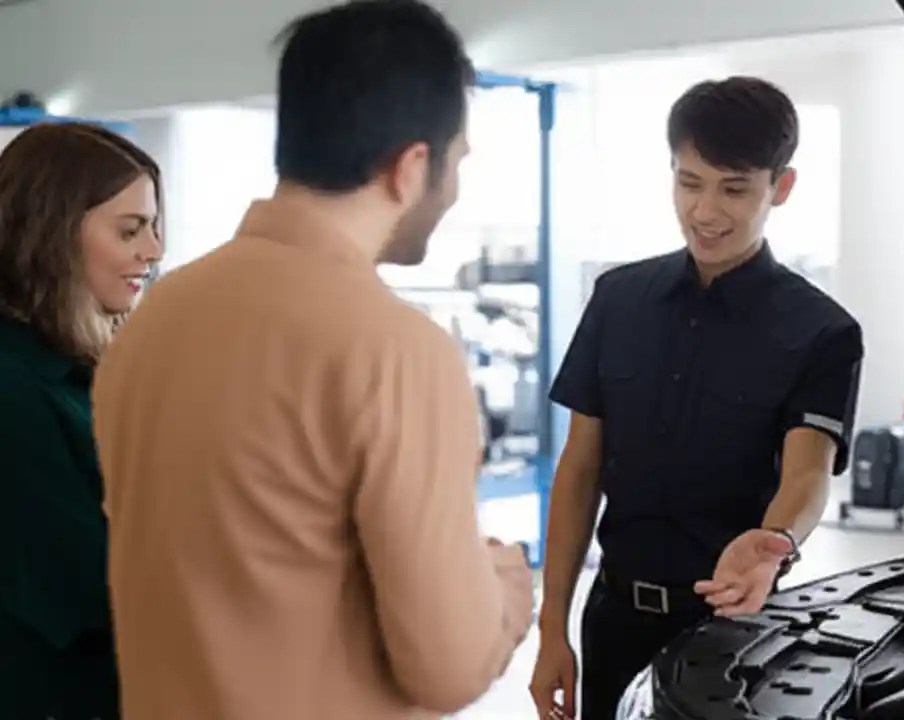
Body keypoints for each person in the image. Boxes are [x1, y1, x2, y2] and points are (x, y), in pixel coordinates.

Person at [90, 2, 533, 718]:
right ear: (413, 166)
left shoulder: (150, 325)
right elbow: (447, 667)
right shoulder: (393, 351)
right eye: (456, 163)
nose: (452, 190)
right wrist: (509, 584)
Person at [530, 76, 864, 719]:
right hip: (613, 622)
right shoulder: (616, 299)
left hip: (734, 637)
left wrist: (776, 539)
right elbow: (579, 470)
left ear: (780, 187)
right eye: (690, 183)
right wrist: (552, 630)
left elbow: (808, 475)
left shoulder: (822, 332)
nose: (706, 212)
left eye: (734, 188)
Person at [0, 122, 163, 720]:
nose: (153, 250)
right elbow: (91, 591)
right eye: (129, 230)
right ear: (52, 234)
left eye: (152, 227)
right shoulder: (14, 390)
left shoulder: (81, 372)